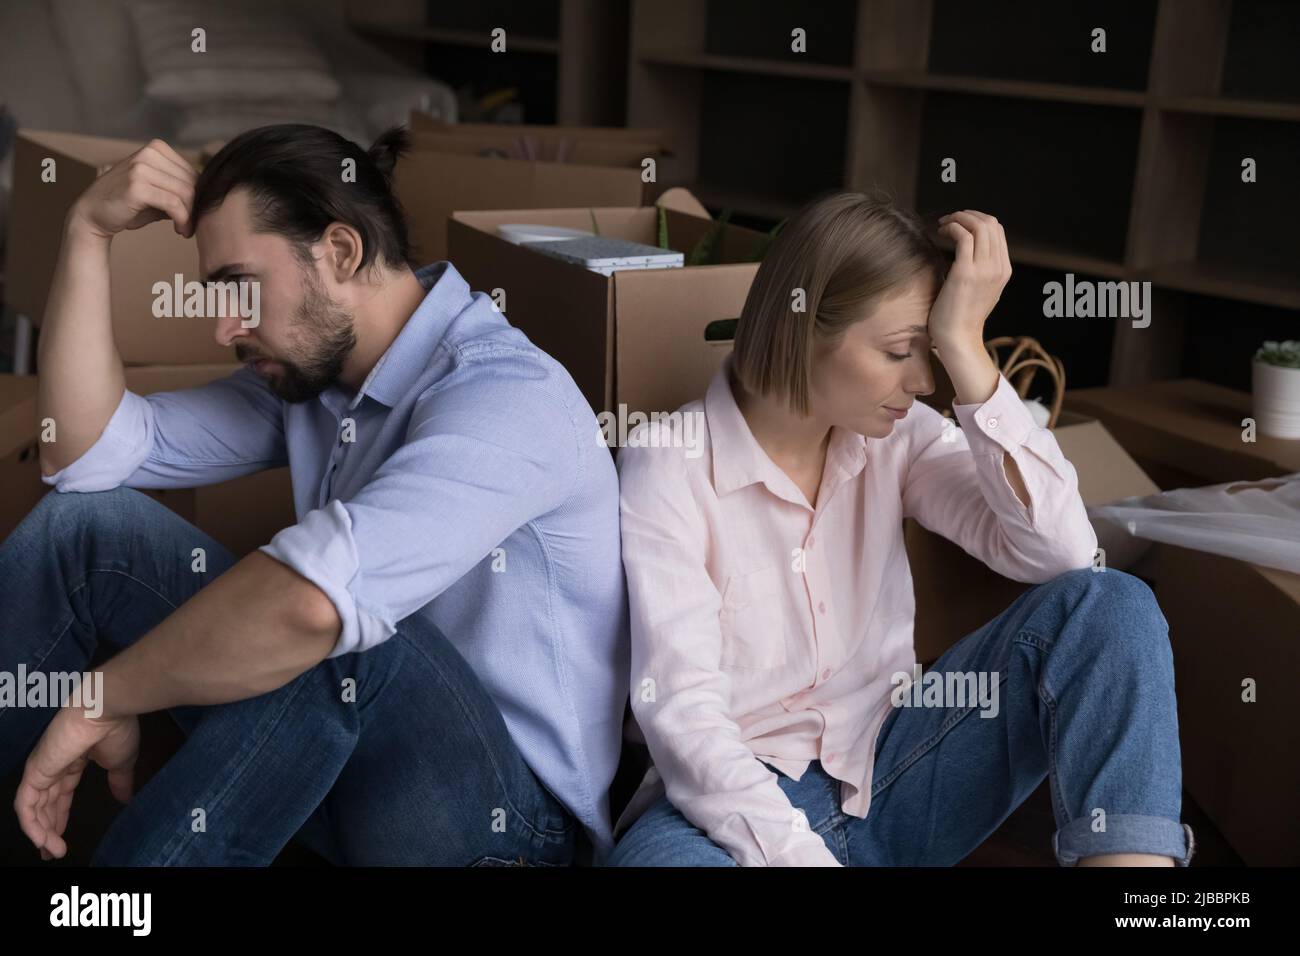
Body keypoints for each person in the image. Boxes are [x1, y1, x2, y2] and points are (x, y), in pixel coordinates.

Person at [2, 124, 628, 866]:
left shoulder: (507, 396)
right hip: (341, 762)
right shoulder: (316, 380)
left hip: (502, 829)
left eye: (241, 285)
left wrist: (106, 696)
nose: (223, 327)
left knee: (341, 629)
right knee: (85, 530)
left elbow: (312, 606)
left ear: (339, 251)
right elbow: (83, 454)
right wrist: (84, 231)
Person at [607, 191, 1195, 867]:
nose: (922, 380)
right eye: (899, 351)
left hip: (897, 768)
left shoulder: (898, 437)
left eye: (931, 351)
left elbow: (1064, 553)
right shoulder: (670, 464)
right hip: (728, 811)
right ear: (802, 330)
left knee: (1113, 606)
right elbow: (684, 719)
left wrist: (968, 350)